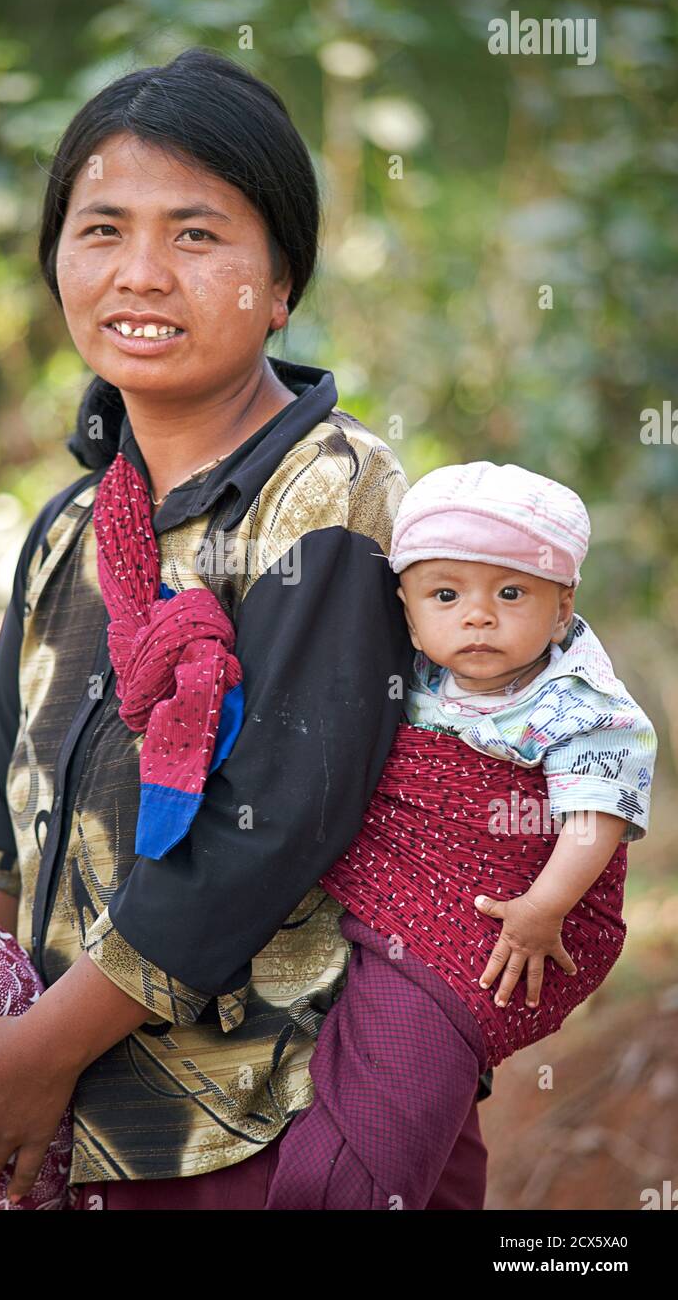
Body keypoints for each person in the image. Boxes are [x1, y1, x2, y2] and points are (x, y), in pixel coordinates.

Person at [0, 48, 491, 1210]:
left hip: (278, 1124)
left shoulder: (335, 495)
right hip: (90, 1132)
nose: (140, 274)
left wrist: (37, 1052)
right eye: (101, 229)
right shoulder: (70, 529)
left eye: (197, 235)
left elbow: (270, 828)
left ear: (281, 282)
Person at [265, 460, 657, 1210]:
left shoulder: (575, 701)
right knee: (405, 1112)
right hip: (391, 919)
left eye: (510, 593)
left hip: (500, 929)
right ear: (408, 610)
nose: (477, 616)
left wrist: (543, 907)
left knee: (373, 1133)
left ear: (560, 605)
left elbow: (592, 816)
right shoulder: (405, 675)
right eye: (445, 594)